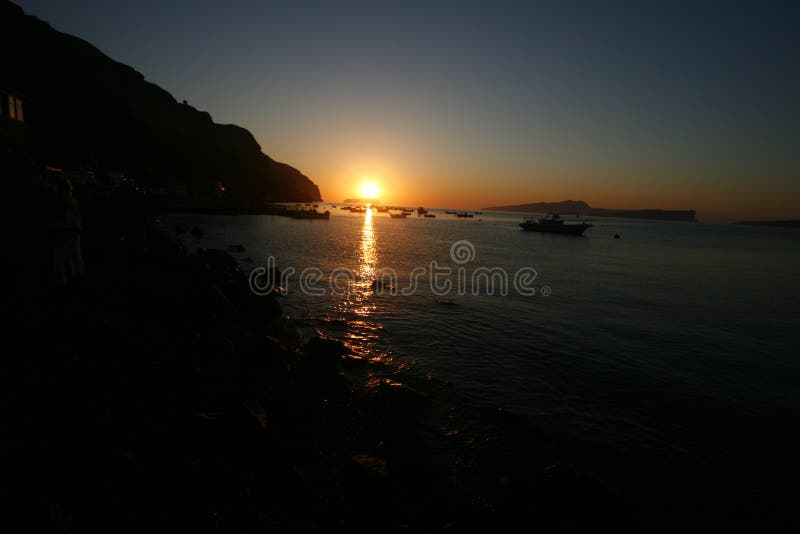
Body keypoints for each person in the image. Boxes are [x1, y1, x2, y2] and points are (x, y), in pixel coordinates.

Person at [48, 179, 84, 287]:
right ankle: (78, 279)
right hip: (73, 231)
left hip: (63, 232)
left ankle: (62, 282)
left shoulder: (60, 203)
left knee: (60, 260)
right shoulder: (73, 202)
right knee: (75, 257)